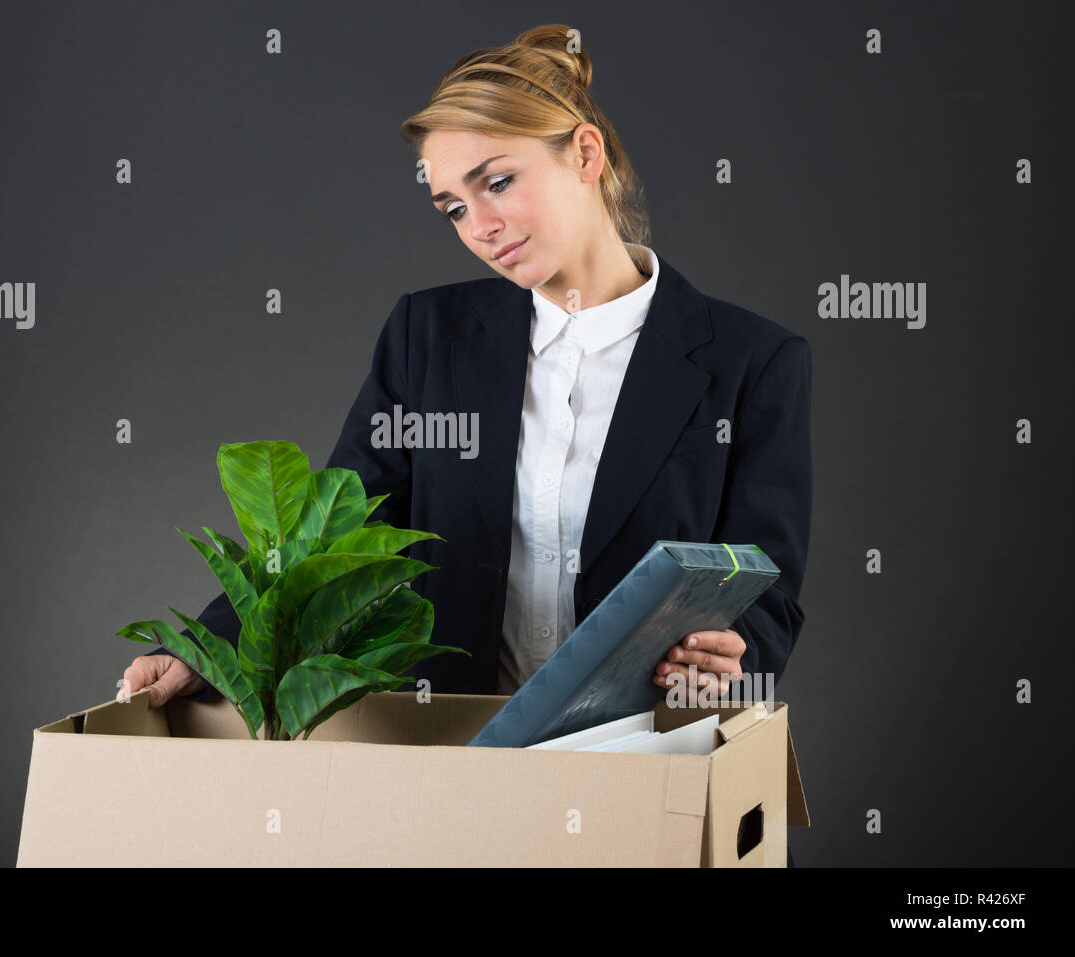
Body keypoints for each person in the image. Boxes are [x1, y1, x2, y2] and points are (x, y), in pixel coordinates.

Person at [120, 23, 811, 861]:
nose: (477, 224)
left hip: (648, 772)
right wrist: (205, 649)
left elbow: (766, 591)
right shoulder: (429, 337)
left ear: (585, 153)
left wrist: (733, 655)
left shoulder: (751, 361)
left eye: (498, 182)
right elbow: (332, 535)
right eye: (452, 205)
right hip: (455, 767)